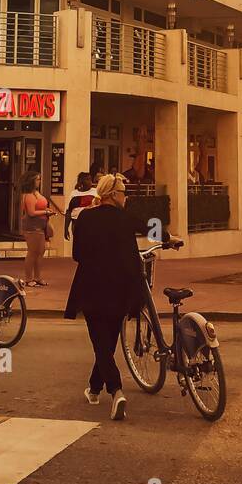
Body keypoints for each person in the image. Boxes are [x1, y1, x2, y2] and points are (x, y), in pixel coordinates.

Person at [64, 172, 146, 420]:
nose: (126, 197)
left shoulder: (86, 218)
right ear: (112, 194)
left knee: (102, 343)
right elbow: (151, 226)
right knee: (107, 341)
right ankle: (104, 388)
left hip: (92, 285)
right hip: (121, 287)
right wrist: (169, 238)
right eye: (122, 192)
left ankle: (107, 388)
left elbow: (77, 254)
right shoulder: (126, 218)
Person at [20, 172, 61, 288]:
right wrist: (46, 212)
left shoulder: (36, 193)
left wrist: (46, 210)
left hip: (41, 226)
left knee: (40, 252)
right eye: (37, 179)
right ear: (31, 181)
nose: (39, 181)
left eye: (39, 179)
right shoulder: (28, 195)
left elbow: (40, 207)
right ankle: (28, 278)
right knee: (32, 252)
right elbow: (31, 212)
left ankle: (38, 277)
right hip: (32, 227)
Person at [64, 172, 98, 240]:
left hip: (91, 222)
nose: (90, 182)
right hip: (76, 222)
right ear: (81, 181)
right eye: (87, 179)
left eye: (90, 179)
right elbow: (69, 211)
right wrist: (66, 228)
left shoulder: (95, 192)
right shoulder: (74, 193)